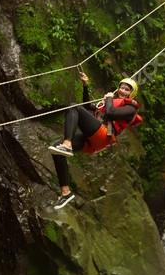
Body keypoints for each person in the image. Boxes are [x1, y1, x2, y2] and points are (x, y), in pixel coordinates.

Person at [47, 72, 143, 209]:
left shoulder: (131, 108)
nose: (122, 91)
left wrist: (109, 98)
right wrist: (86, 86)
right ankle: (66, 193)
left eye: (127, 89)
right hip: (93, 137)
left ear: (131, 94)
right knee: (56, 148)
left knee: (73, 107)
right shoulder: (110, 102)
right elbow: (87, 107)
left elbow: (110, 113)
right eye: (121, 87)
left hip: (104, 136)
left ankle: (67, 144)